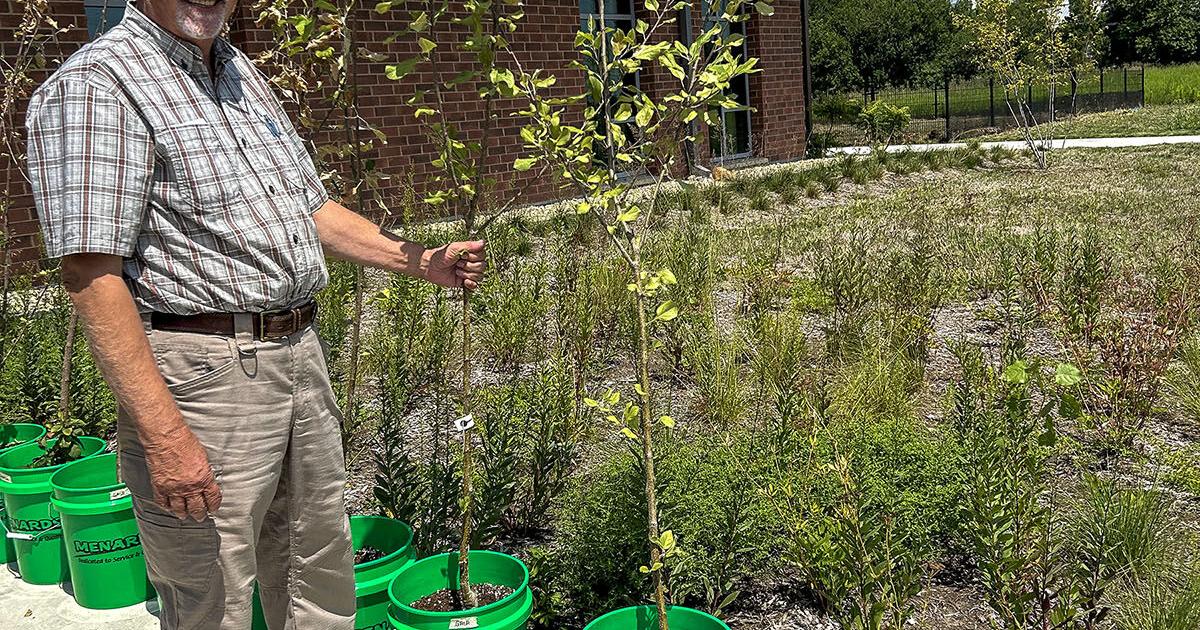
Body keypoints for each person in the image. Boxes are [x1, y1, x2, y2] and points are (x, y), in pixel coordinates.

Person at [24, 0, 485, 627]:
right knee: (211, 590)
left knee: (315, 564)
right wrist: (164, 436)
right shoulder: (97, 85)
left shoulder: (238, 71)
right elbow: (90, 273)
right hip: (202, 375)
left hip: (298, 355)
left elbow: (310, 208)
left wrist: (419, 260)